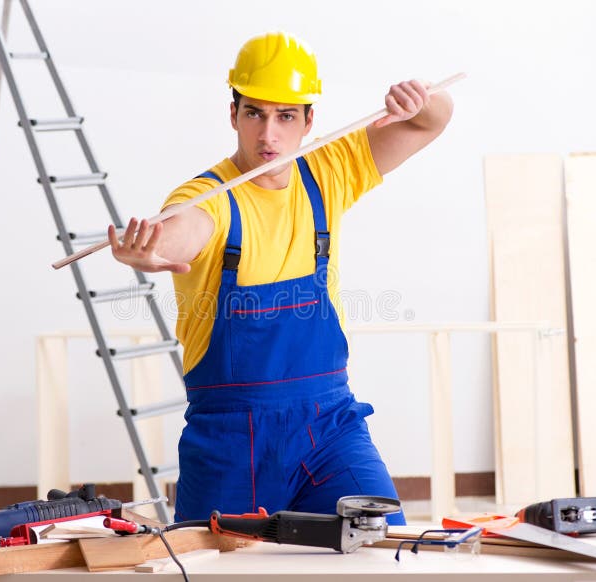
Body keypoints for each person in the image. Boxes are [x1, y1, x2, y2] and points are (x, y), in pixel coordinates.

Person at [109, 31, 453, 524]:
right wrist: (151, 250)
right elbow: (183, 229)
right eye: (254, 113)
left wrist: (421, 96)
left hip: (329, 428)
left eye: (285, 115)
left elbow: (431, 120)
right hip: (231, 441)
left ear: (308, 120)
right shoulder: (210, 195)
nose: (268, 134)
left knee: (382, 544)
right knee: (216, 571)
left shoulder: (330, 170)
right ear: (234, 115)